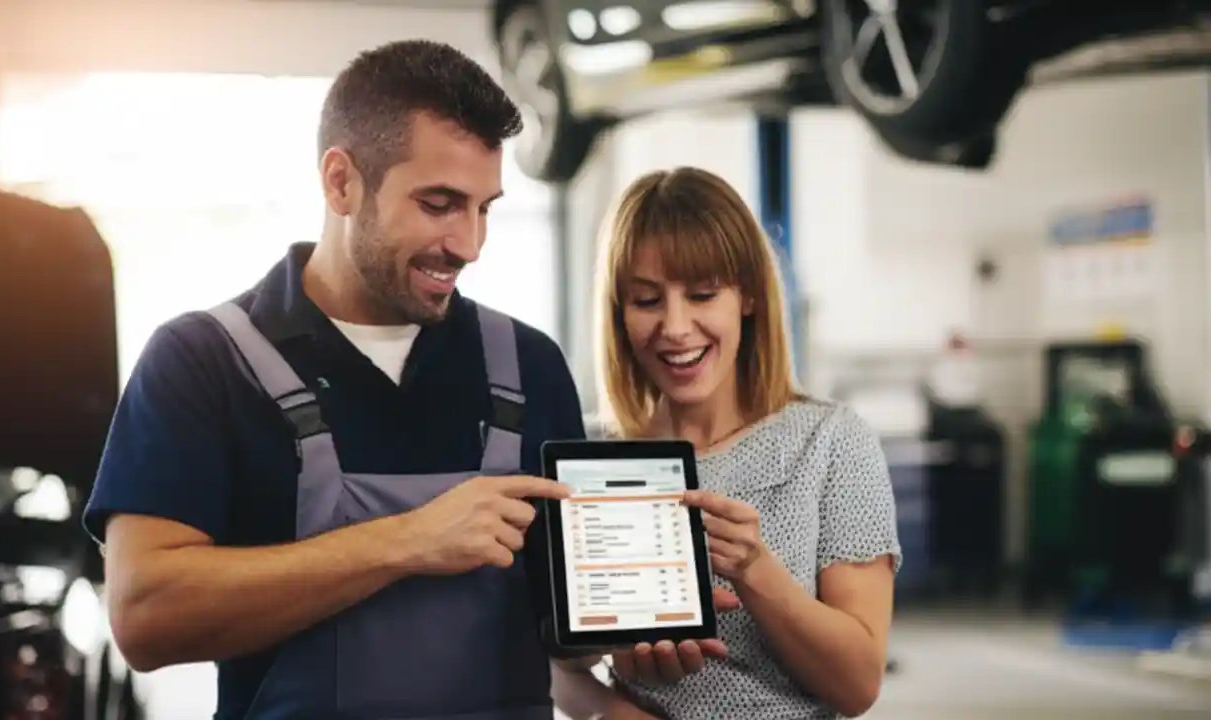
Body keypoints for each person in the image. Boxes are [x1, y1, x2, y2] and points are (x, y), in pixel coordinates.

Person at [83, 40, 724, 720]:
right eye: (440, 203)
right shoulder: (202, 362)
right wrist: (408, 541)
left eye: (484, 208)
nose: (469, 244)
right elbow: (144, 617)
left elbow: (557, 633)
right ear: (341, 182)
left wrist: (631, 635)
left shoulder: (528, 365)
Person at [555, 167, 901, 720]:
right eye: (646, 300)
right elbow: (555, 669)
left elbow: (858, 684)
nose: (675, 327)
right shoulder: (592, 456)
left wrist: (755, 571)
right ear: (619, 314)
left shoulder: (830, 441)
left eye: (702, 294)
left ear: (747, 297)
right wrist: (611, 710)